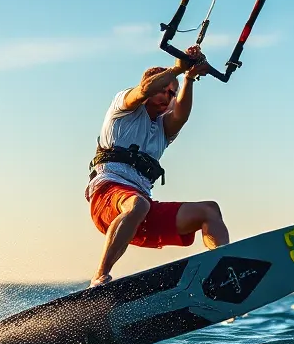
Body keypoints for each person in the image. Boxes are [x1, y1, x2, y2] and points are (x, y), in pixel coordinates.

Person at [86, 45, 230, 285]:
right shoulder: (123, 107)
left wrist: (189, 77)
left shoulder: (164, 129)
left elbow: (181, 115)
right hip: (108, 196)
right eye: (163, 90)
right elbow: (144, 89)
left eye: (172, 93)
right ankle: (100, 277)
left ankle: (223, 270)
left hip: (139, 210)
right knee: (138, 204)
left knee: (209, 211)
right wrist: (176, 69)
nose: (168, 97)